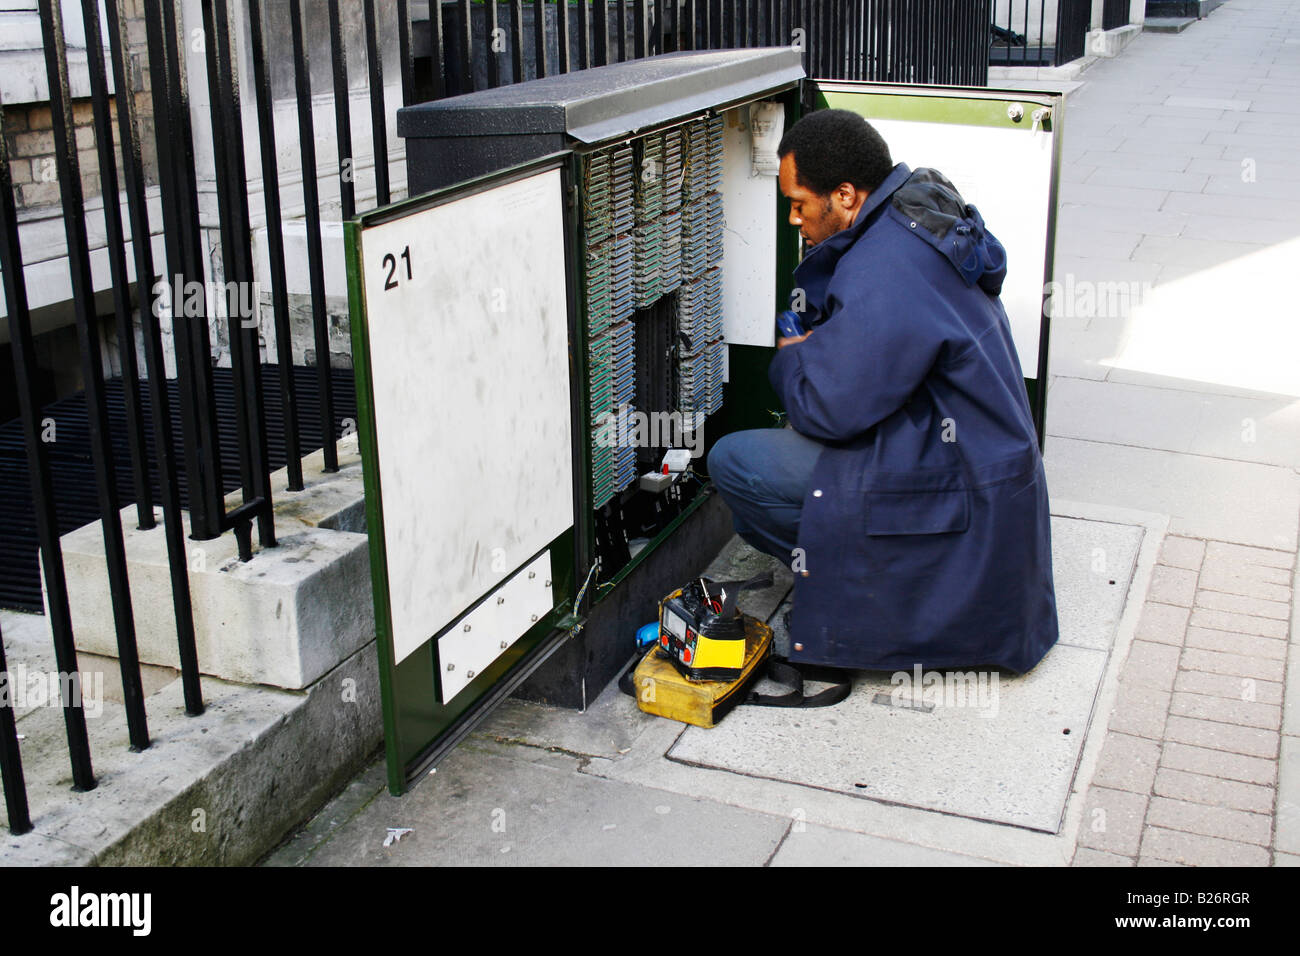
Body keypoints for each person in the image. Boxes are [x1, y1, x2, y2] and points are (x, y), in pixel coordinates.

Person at [707, 109, 1058, 674]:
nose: (795, 219)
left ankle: (857, 592)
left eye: (799, 204)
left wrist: (792, 357)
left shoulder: (884, 265)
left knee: (735, 462)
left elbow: (828, 413)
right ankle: (845, 568)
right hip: (986, 466)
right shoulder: (915, 210)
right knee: (784, 456)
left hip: (962, 483)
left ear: (845, 195)